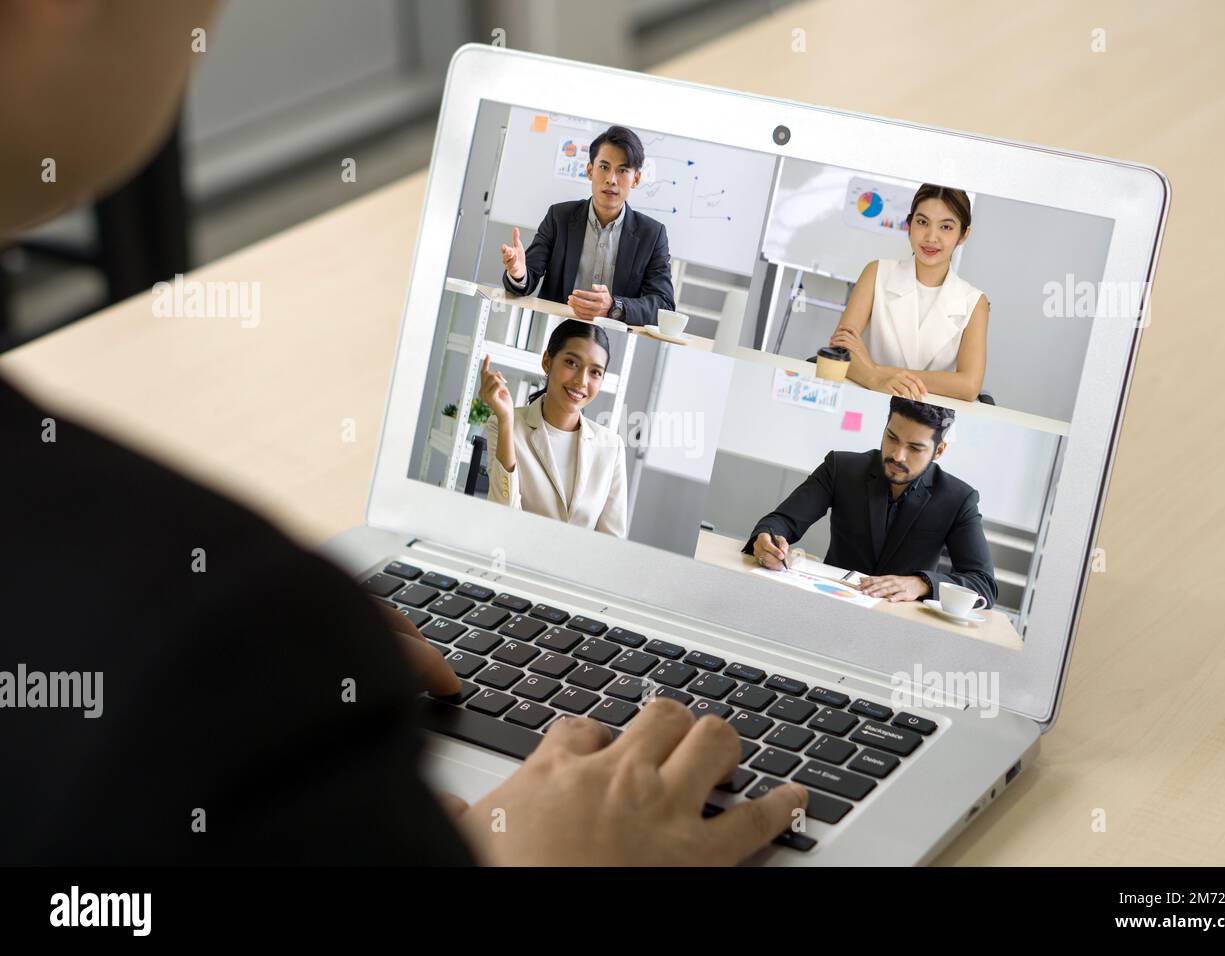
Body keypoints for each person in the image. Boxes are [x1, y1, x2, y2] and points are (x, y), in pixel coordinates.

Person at [0, 0, 805, 866]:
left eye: (596, 372)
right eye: (573, 366)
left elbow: (661, 321)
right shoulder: (226, 655)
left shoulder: (643, 267)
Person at [744, 398, 997, 608]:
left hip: (901, 623)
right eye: (892, 437)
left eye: (915, 448)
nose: (898, 455)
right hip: (829, 605)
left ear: (939, 451)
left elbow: (983, 583)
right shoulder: (840, 468)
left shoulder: (958, 498)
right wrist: (767, 538)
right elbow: (781, 521)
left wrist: (922, 583)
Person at [827, 184, 990, 403]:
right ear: (909, 225)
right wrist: (874, 379)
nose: (931, 237)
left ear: (963, 235)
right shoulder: (876, 272)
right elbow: (840, 348)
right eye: (922, 223)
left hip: (930, 418)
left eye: (946, 227)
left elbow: (969, 386)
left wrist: (875, 369)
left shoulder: (973, 302)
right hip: (869, 399)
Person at [499, 125, 675, 327]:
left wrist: (614, 307)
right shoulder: (559, 218)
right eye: (604, 167)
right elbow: (525, 280)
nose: (611, 179)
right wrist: (519, 273)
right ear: (590, 170)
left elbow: (664, 306)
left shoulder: (652, 235)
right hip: (552, 330)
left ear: (636, 179)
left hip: (611, 341)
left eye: (623, 170)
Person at [479, 320, 628, 536]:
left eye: (595, 372)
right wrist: (505, 420)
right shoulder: (506, 425)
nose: (581, 381)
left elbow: (612, 541)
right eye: (571, 363)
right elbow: (503, 515)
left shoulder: (611, 447)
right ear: (547, 362)